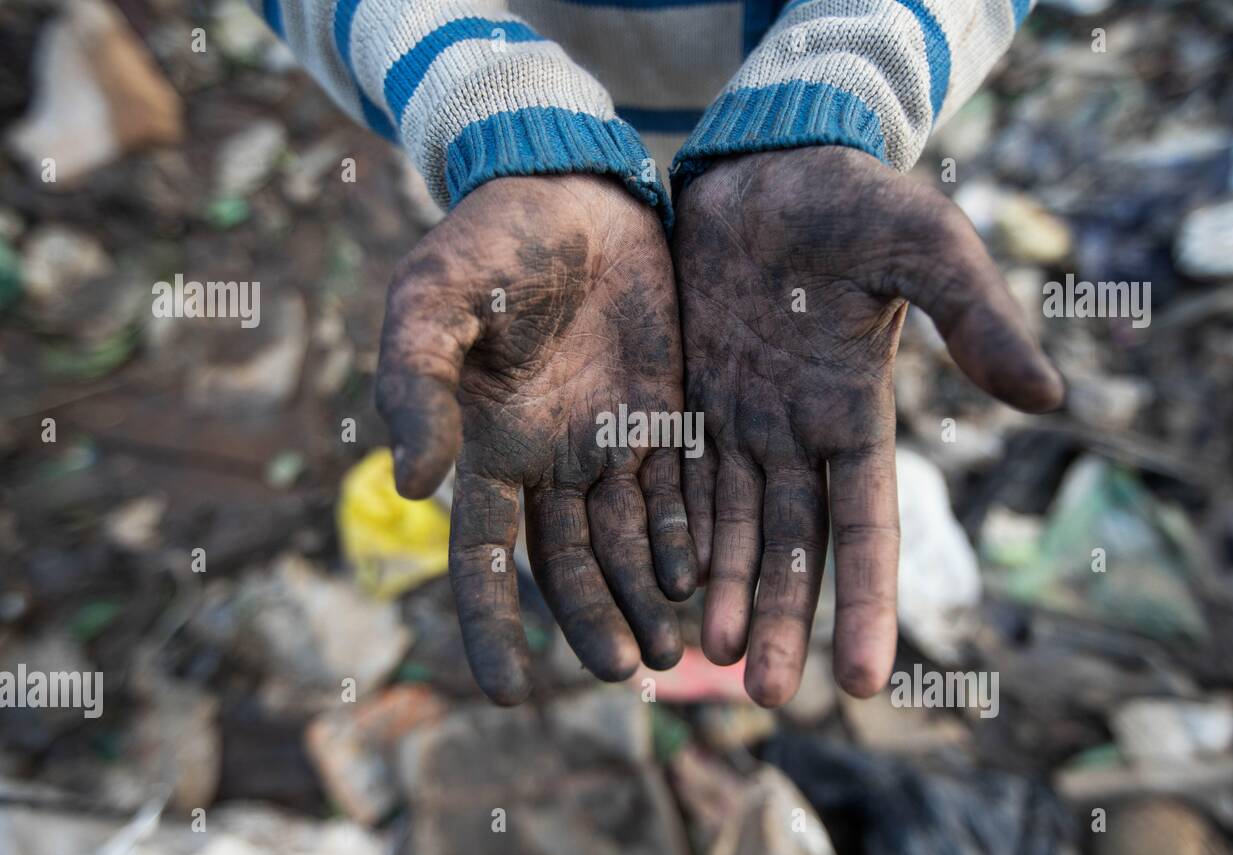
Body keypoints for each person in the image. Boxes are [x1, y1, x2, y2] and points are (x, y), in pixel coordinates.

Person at [253, 0, 1064, 707]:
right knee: (538, 419)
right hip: (491, 162)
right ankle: (591, 588)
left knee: (739, 482)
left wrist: (840, 89)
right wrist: (488, 115)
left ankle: (680, 626)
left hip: (800, 145)